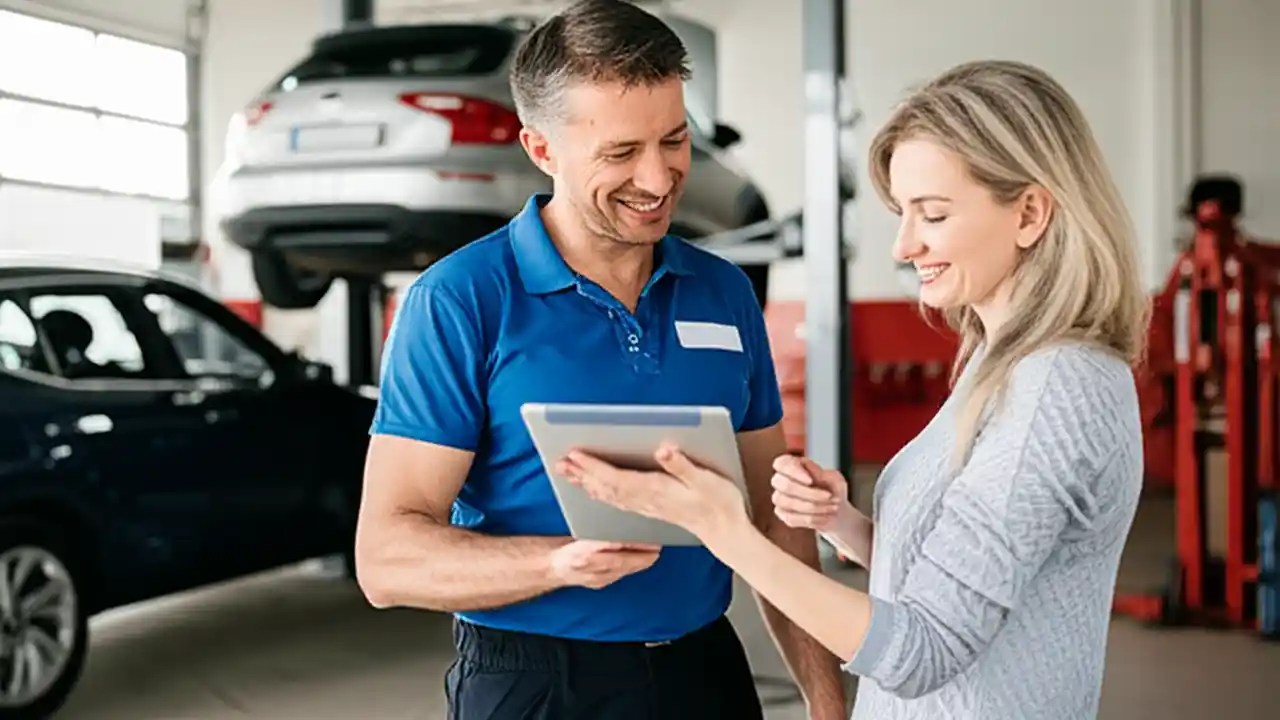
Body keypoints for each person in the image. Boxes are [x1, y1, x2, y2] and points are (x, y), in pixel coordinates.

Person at [561, 59, 1150, 720]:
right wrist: (845, 525)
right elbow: (973, 584)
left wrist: (719, 526)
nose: (903, 246)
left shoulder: (1054, 388)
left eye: (932, 215)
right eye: (902, 214)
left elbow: (924, 648)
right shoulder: (1001, 361)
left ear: (1031, 213)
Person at [353, 1, 848, 718]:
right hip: (538, 683)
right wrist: (556, 563)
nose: (656, 178)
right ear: (541, 147)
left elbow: (776, 521)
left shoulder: (725, 292)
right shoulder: (459, 301)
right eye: (620, 153)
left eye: (673, 141)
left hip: (705, 668)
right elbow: (386, 557)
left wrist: (828, 704)